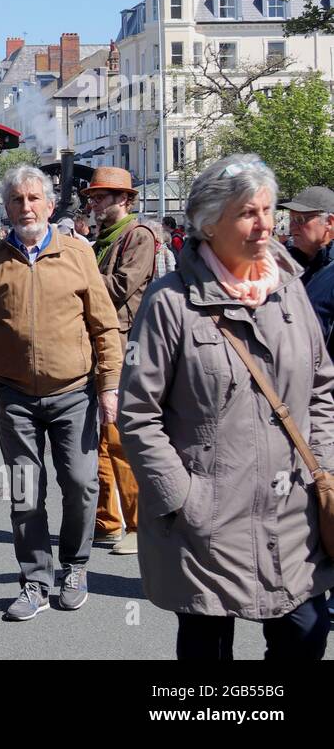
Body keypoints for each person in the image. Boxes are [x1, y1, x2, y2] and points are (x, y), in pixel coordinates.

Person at [120, 154, 334, 660]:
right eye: (247, 213)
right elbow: (138, 414)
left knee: (305, 636)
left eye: (267, 210)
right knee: (206, 651)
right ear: (209, 223)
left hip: (293, 514)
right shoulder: (170, 302)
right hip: (206, 523)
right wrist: (183, 498)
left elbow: (321, 388)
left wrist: (322, 466)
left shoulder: (290, 292)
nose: (265, 225)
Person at [0, 164, 122, 620]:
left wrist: (109, 386)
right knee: (26, 491)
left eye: (34, 199)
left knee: (81, 484)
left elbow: (104, 326)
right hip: (14, 397)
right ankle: (35, 581)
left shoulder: (78, 253)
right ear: (7, 208)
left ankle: (76, 566)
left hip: (75, 393)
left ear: (49, 205)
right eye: (16, 200)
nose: (26, 207)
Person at [82, 167, 157, 556]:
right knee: (98, 438)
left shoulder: (138, 236)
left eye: (100, 198)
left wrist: (76, 278)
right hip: (100, 343)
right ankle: (106, 521)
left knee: (120, 436)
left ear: (124, 200)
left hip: (125, 345)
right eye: (92, 198)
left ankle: (140, 525)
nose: (93, 204)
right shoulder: (99, 240)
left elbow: (121, 287)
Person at [278, 186, 334, 286]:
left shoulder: (330, 271)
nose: (292, 227)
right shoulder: (285, 261)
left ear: (328, 222)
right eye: (290, 219)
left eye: (300, 219)